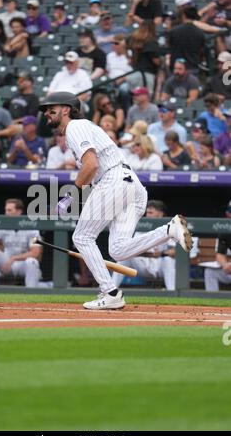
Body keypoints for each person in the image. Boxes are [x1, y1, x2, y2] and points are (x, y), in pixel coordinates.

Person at [39, 91, 193, 310]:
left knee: (82, 237)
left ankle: (109, 292)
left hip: (114, 180)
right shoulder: (82, 128)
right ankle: (168, 231)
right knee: (118, 250)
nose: (47, 113)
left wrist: (69, 196)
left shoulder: (74, 127)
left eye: (51, 108)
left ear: (66, 109)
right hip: (131, 185)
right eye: (45, 109)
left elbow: (91, 165)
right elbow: (94, 169)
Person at [0, 198, 42, 287]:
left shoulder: (32, 227)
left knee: (32, 261)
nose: (6, 213)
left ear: (19, 212)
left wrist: (14, 258)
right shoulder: (2, 224)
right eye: (6, 210)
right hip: (6, 265)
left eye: (10, 210)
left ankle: (32, 294)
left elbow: (35, 253)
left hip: (24, 264)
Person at [112, 200, 176, 290]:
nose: (148, 215)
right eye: (147, 212)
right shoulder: (143, 226)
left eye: (151, 212)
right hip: (143, 263)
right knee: (124, 257)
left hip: (160, 265)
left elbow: (176, 251)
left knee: (168, 259)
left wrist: (162, 253)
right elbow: (131, 248)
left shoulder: (169, 227)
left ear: (161, 214)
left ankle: (172, 291)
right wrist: (144, 252)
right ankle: (111, 289)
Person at [204, 201, 231, 291]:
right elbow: (220, 254)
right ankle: (211, 301)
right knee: (210, 272)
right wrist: (225, 265)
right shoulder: (226, 231)